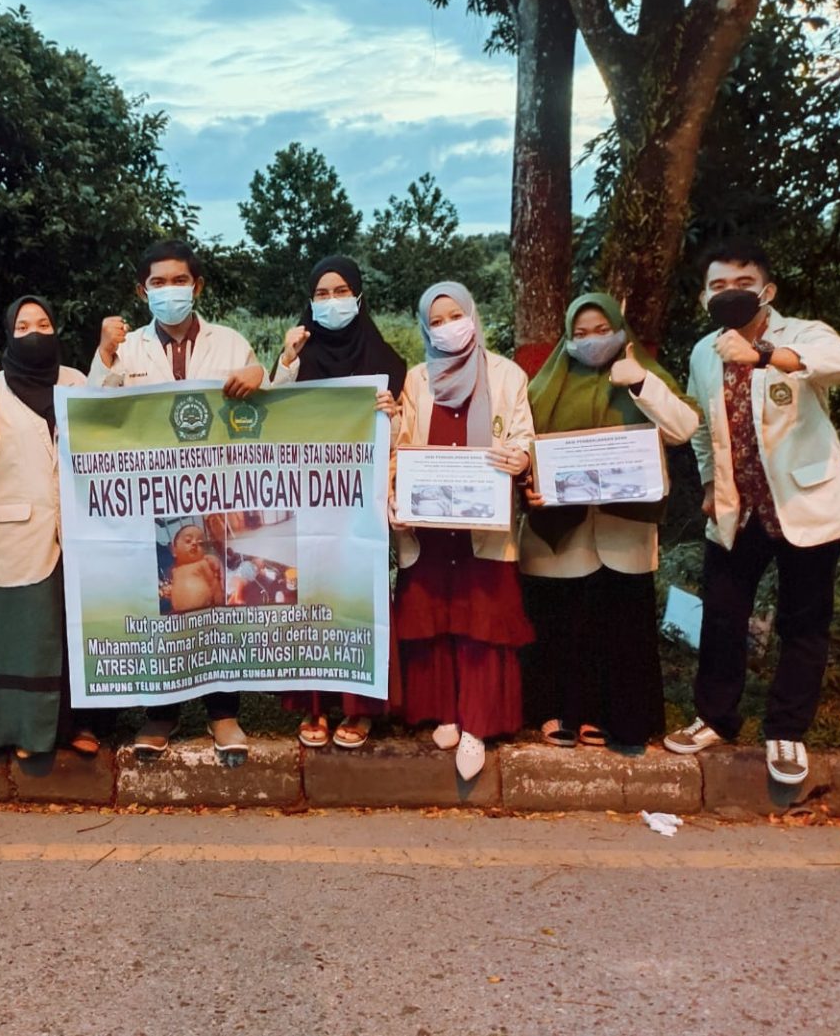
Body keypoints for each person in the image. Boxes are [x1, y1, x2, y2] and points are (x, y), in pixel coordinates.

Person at [664, 241, 840, 784]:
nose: (729, 294)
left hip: (804, 503)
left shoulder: (804, 334)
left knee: (804, 622)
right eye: (717, 286)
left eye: (742, 284)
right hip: (739, 506)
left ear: (767, 290)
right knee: (723, 615)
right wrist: (709, 482)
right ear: (704, 296)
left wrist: (764, 357)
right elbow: (703, 429)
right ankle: (714, 717)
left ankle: (786, 732)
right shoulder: (703, 351)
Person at [90, 238, 266, 761]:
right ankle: (160, 713)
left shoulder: (231, 343)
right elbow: (93, 417)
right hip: (152, 501)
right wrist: (103, 356)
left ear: (198, 286)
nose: (170, 291)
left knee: (213, 603)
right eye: (159, 283)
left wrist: (262, 376)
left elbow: (271, 416)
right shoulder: (125, 350)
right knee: (162, 601)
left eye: (180, 281)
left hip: (216, 491)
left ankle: (223, 713)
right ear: (141, 290)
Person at [520, 293, 699, 750]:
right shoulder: (544, 385)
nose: (591, 341)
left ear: (621, 329)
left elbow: (682, 428)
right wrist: (530, 486)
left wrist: (639, 383)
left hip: (624, 529)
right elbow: (523, 447)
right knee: (563, 623)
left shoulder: (644, 375)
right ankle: (557, 710)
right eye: (579, 334)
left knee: (618, 626)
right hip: (559, 531)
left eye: (602, 330)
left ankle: (614, 716)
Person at [392, 282, 533, 781]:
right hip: (429, 525)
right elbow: (402, 445)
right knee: (435, 611)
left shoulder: (506, 374)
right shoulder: (415, 379)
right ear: (425, 329)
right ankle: (445, 709)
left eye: (456, 315)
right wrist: (396, 490)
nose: (448, 326)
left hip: (483, 525)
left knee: (482, 617)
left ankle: (478, 723)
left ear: (472, 314)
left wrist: (521, 456)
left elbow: (522, 434)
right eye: (436, 320)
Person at [0, 295, 108, 764]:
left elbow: (104, 431)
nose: (34, 333)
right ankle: (22, 728)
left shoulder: (75, 380)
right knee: (26, 632)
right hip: (19, 530)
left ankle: (79, 726)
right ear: (9, 334)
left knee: (74, 629)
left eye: (43, 323)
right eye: (23, 326)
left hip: (77, 527)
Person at [271, 254, 405, 749]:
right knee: (308, 598)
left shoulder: (387, 363)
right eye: (321, 294)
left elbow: (398, 442)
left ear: (359, 296)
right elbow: (270, 417)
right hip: (307, 505)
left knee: (358, 597)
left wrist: (389, 416)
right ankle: (314, 707)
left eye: (341, 291)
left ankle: (360, 708)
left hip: (358, 510)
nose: (332, 302)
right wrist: (286, 359)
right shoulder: (296, 358)